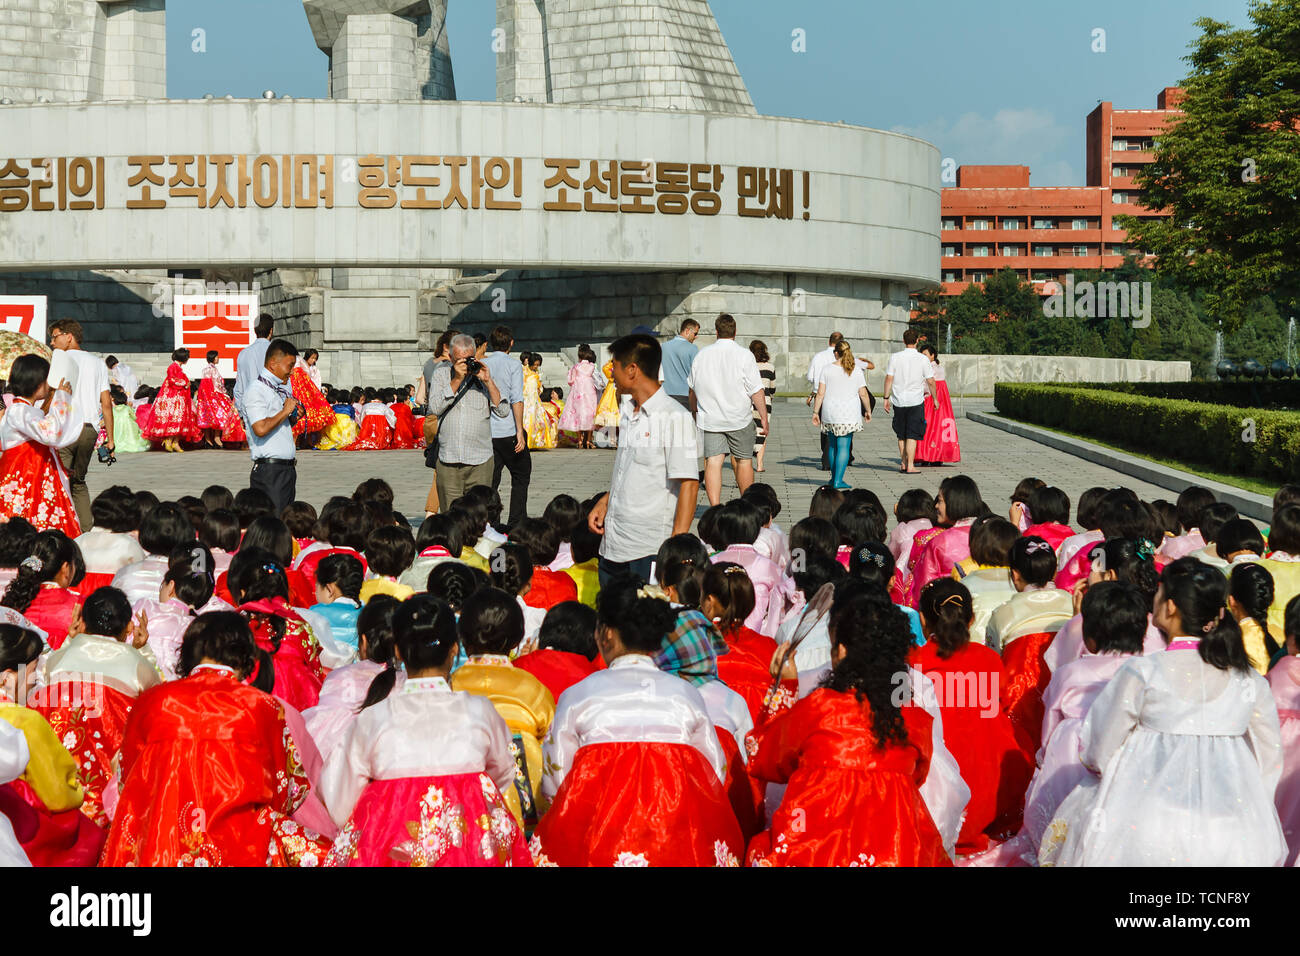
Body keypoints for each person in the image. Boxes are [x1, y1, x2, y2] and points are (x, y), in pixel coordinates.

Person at [1042, 558, 1286, 867]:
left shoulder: (1143, 672)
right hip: (1231, 825)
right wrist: (1254, 808)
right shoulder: (1249, 681)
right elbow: (1269, 758)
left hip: (1148, 820)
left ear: (1170, 607)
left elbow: (1099, 748)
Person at [530, 580, 744, 867]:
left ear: (605, 633)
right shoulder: (685, 696)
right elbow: (713, 774)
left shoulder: (579, 696)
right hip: (673, 842)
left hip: (597, 846)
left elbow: (555, 784)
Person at [318, 594, 530, 867]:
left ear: (397, 650)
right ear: (455, 649)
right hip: (470, 850)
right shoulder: (479, 711)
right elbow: (502, 773)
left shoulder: (374, 719)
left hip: (392, 853)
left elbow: (337, 798)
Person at [747, 586, 952, 866]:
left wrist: (785, 688)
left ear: (841, 651)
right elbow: (918, 775)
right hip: (895, 846)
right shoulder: (910, 718)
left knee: (759, 848)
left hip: (814, 847)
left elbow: (765, 759)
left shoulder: (820, 707)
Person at [100, 612, 319, 866]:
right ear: (246, 657)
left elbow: (127, 780)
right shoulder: (263, 707)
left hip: (161, 841)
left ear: (190, 652)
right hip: (238, 845)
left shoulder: (153, 701)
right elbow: (286, 791)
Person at [588, 334, 700, 585]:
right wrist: (607, 499)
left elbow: (689, 484)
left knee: (645, 621)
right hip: (613, 545)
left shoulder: (675, 417)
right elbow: (631, 468)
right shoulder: (628, 411)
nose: (611, 374)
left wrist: (675, 550)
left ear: (632, 370)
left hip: (648, 550)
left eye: (614, 367)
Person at [688, 314, 768, 506]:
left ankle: (715, 506)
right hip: (739, 418)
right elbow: (756, 390)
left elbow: (692, 389)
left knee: (714, 462)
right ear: (735, 332)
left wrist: (694, 412)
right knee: (743, 461)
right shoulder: (744, 355)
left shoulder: (702, 355)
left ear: (716, 332)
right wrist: (764, 418)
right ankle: (746, 504)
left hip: (711, 418)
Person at [0, 354, 82, 537]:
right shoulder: (19, 411)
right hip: (28, 476)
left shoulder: (22, 409)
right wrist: (61, 398)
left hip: (31, 473)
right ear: (38, 384)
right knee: (30, 518)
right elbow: (50, 433)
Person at [46, 320, 113, 530]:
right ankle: (86, 530)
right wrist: (110, 438)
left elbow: (51, 393)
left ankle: (61, 530)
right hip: (89, 430)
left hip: (66, 428)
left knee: (60, 482)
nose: (52, 343)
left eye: (55, 337)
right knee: (79, 481)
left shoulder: (60, 359)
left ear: (69, 336)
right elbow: (106, 403)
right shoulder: (97, 363)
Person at [429, 334, 509, 509]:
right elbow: (434, 408)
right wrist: (457, 380)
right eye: (460, 360)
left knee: (478, 518)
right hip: (448, 460)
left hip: (480, 461)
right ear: (450, 357)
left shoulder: (485, 374)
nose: (466, 364)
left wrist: (488, 381)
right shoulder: (441, 374)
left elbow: (503, 411)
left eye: (469, 359)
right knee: (451, 518)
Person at [243, 339, 301, 514]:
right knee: (273, 525)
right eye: (289, 366)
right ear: (272, 363)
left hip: (284, 470)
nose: (291, 372)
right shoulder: (256, 390)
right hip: (270, 472)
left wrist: (291, 418)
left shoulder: (275, 390)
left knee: (284, 524)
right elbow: (260, 428)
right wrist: (285, 411)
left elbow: (274, 425)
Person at [483, 326, 531, 527]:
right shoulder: (513, 365)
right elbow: (516, 399)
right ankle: (516, 521)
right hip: (508, 429)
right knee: (521, 475)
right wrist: (520, 431)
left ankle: (491, 523)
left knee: (492, 480)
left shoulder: (482, 364)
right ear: (511, 343)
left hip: (488, 431)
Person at [812, 339, 871, 491]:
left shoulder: (826, 369)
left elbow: (820, 393)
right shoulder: (855, 369)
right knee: (844, 446)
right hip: (848, 413)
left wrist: (815, 412)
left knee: (832, 445)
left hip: (830, 412)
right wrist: (868, 410)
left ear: (836, 353)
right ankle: (838, 480)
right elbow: (863, 393)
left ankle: (833, 479)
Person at [882, 328, 937, 474]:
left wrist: (886, 397)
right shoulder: (923, 359)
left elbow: (889, 378)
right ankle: (911, 465)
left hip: (899, 400)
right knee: (912, 433)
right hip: (915, 400)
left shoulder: (895, 357)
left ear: (903, 341)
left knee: (901, 434)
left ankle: (903, 462)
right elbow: (930, 381)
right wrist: (935, 398)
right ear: (917, 341)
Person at [141, 348, 200, 453]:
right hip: (173, 397)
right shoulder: (172, 367)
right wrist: (184, 383)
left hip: (179, 397)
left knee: (180, 420)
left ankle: (175, 442)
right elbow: (172, 380)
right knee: (174, 419)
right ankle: (169, 440)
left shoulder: (177, 367)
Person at [914, 343, 961, 465]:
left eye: (925, 355)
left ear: (932, 355)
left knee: (927, 426)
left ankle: (926, 455)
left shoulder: (929, 368)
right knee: (938, 427)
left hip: (931, 398)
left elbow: (928, 384)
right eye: (922, 355)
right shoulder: (938, 367)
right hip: (941, 400)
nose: (923, 357)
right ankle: (936, 456)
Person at [806, 331, 843, 472]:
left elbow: (810, 376)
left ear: (829, 341)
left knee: (825, 429)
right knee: (839, 429)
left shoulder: (819, 357)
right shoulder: (846, 357)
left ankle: (826, 459)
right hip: (839, 396)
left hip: (822, 397)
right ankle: (840, 457)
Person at [195, 350, 245, 448]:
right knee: (221, 416)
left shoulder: (205, 369)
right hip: (214, 397)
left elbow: (204, 385)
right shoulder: (213, 370)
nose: (218, 358)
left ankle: (208, 439)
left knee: (207, 418)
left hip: (205, 398)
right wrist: (224, 394)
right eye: (217, 357)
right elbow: (218, 385)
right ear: (213, 358)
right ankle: (216, 438)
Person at [232, 312, 275, 422]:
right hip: (273, 412)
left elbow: (239, 388)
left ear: (255, 330)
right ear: (271, 330)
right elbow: (285, 385)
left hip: (251, 412)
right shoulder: (277, 352)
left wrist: (241, 412)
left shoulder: (244, 353)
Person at [558, 344, 600, 449]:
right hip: (590, 392)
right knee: (590, 415)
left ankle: (580, 441)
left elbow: (570, 381)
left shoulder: (576, 367)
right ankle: (589, 441)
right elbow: (597, 380)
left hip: (577, 392)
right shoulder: (592, 366)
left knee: (577, 415)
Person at [289, 350, 334, 445]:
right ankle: (298, 441)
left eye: (315, 358)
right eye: (312, 358)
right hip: (300, 394)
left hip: (311, 394)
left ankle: (308, 441)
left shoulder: (314, 370)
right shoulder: (298, 369)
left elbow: (317, 384)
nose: (313, 360)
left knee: (311, 417)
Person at [660, 318, 700, 410]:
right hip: (684, 396)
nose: (696, 337)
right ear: (687, 331)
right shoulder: (693, 349)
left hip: (665, 396)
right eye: (695, 333)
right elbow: (696, 376)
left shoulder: (663, 347)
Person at [750, 339, 776, 472]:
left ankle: (747, 461)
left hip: (749, 402)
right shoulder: (770, 367)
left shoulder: (749, 366)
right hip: (765, 402)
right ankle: (759, 465)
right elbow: (772, 388)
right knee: (762, 431)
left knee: (749, 432)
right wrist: (770, 396)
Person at [521, 353, 557, 451]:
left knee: (538, 421)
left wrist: (539, 390)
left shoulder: (536, 373)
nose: (536, 366)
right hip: (526, 399)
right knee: (527, 420)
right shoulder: (524, 371)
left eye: (538, 365)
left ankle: (536, 442)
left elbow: (539, 387)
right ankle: (526, 441)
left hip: (535, 399)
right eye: (535, 364)